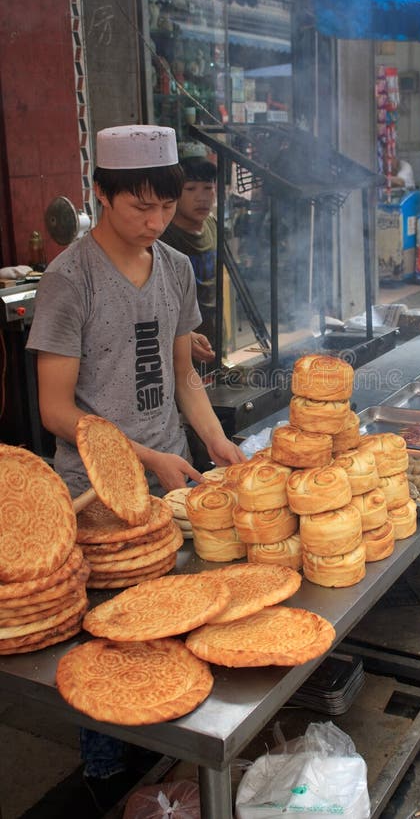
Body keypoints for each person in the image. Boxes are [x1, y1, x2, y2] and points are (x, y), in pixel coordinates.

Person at [27, 124, 244, 811]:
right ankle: (105, 774)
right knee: (106, 639)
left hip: (167, 480)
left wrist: (215, 443)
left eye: (164, 207)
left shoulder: (176, 268)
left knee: (165, 623)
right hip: (92, 493)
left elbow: (182, 376)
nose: (154, 223)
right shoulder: (70, 280)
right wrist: (141, 455)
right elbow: (56, 410)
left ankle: (164, 755)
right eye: (138, 208)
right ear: (100, 195)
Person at [160, 156, 218, 369]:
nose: (201, 198)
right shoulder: (164, 237)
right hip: (179, 338)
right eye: (191, 189)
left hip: (211, 334)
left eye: (208, 188)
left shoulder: (212, 226)